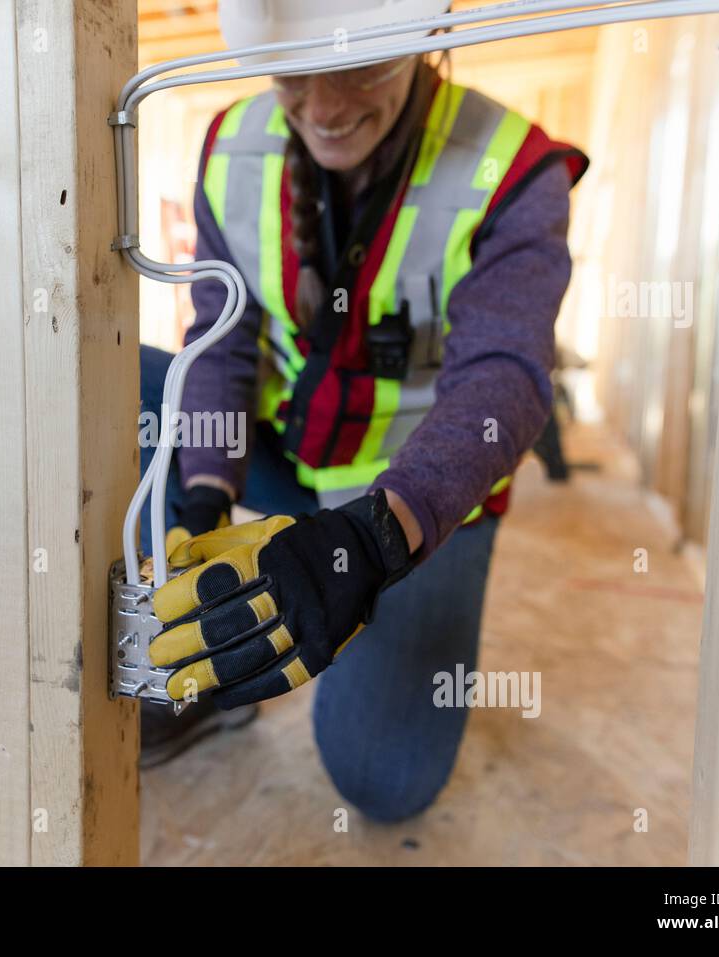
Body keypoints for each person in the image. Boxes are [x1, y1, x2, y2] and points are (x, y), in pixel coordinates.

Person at [137, 0, 587, 823]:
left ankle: (348, 591)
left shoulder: (515, 170)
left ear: (429, 38)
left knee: (385, 779)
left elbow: (506, 381)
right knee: (133, 385)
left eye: (364, 65)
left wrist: (374, 538)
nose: (327, 107)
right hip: (286, 454)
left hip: (410, 494)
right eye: (295, 70)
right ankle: (218, 658)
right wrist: (201, 496)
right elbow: (222, 338)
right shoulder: (231, 146)